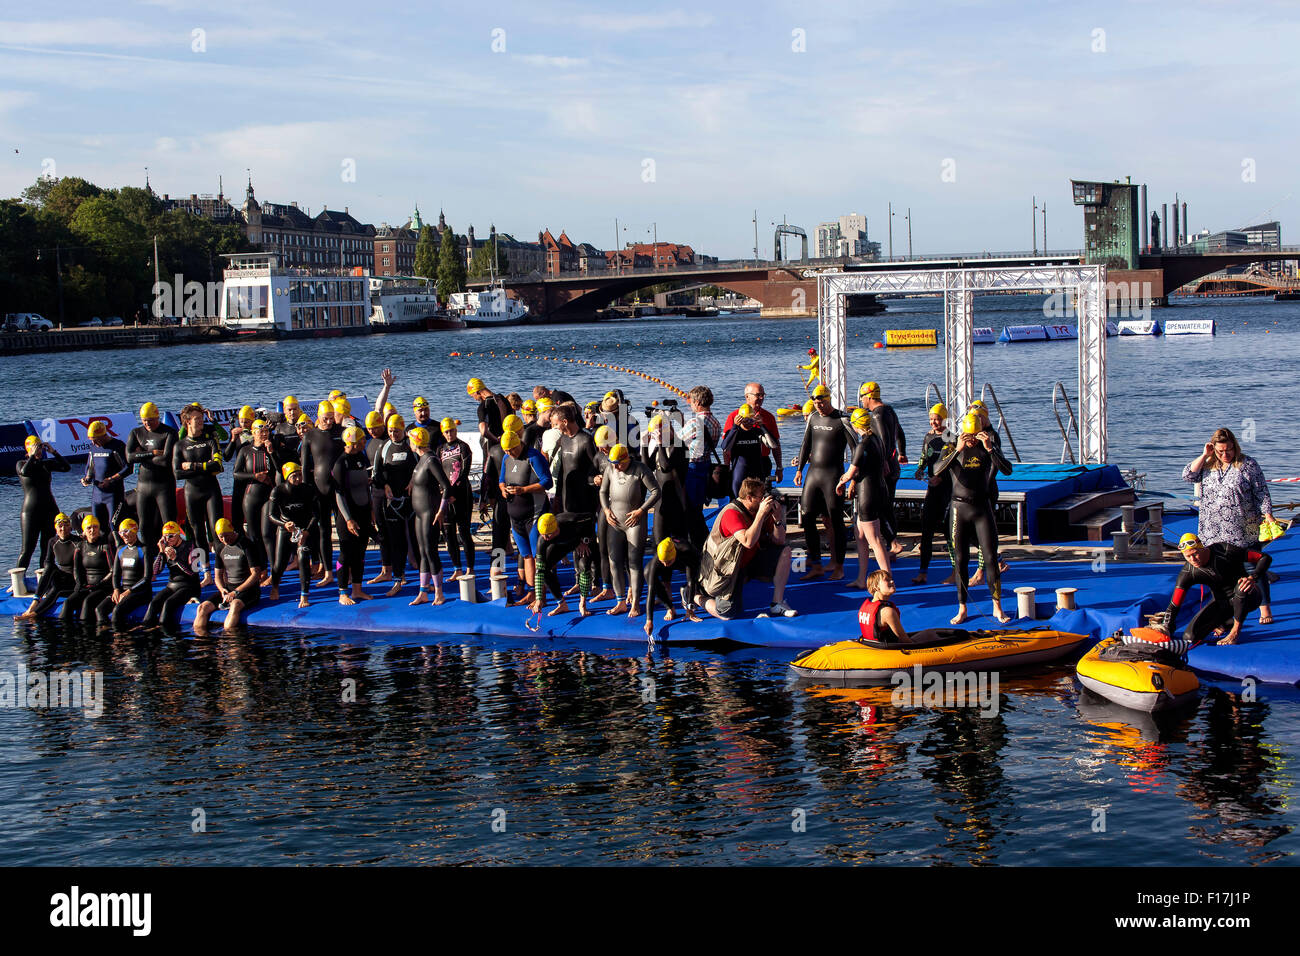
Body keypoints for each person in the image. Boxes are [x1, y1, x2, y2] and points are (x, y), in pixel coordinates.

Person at [1183, 427, 1277, 625]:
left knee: (1252, 566)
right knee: (1218, 571)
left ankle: (1264, 607)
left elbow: (1262, 492)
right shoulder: (1207, 465)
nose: (1225, 454)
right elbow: (1188, 476)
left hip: (1244, 525)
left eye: (1229, 450)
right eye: (1220, 451)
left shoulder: (1247, 464)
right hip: (1213, 528)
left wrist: (1268, 515)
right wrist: (1204, 455)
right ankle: (1225, 611)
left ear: (1235, 446)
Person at [934, 412, 1012, 624]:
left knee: (990, 558)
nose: (971, 440)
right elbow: (937, 470)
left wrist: (989, 449)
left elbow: (1007, 470)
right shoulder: (952, 447)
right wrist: (957, 449)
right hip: (959, 509)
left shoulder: (987, 448)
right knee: (961, 560)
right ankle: (962, 608)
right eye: (967, 436)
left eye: (974, 436)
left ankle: (997, 607)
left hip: (982, 508)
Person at [702, 476, 796, 620]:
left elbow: (779, 541)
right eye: (761, 497)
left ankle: (777, 603)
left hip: (748, 560)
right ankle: (695, 596)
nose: (764, 500)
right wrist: (760, 514)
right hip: (725, 568)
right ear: (749, 497)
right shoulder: (731, 513)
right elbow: (748, 541)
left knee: (785, 551)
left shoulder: (759, 510)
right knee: (727, 613)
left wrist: (777, 520)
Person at [1158, 533, 1272, 646]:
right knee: (1189, 637)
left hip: (1249, 596)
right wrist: (1165, 628)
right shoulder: (1188, 572)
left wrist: (1252, 578)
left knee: (1241, 587)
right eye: (1188, 556)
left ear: (1202, 547)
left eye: (1195, 554)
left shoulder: (1223, 550)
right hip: (1223, 603)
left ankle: (1235, 632)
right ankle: (1226, 622)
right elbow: (1174, 604)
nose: (1193, 559)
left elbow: (1265, 558)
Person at [794, 384, 857, 581]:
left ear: (829, 399)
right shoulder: (813, 417)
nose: (819, 406)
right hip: (813, 474)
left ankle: (838, 566)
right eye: (815, 402)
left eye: (821, 402)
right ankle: (816, 565)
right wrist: (799, 470)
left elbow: (856, 450)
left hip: (832, 476)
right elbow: (806, 444)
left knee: (836, 521)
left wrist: (851, 477)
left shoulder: (842, 419)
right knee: (807, 516)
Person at [601, 443, 661, 617]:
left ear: (626, 459)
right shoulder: (610, 470)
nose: (615, 466)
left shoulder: (639, 469)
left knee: (634, 563)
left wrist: (641, 510)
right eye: (612, 463)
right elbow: (603, 492)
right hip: (615, 522)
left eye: (618, 463)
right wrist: (606, 510)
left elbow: (656, 491)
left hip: (634, 522)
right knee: (614, 561)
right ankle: (620, 602)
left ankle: (635, 603)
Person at [837, 407, 891, 587]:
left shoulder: (862, 446)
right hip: (877, 490)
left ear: (854, 425)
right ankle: (862, 579)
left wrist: (841, 483)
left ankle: (887, 580)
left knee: (874, 540)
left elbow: (850, 472)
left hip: (867, 495)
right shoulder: (876, 440)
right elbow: (885, 469)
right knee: (860, 535)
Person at [499, 429, 553, 606]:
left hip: (534, 514)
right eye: (506, 451)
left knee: (538, 556)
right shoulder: (507, 458)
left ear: (519, 444)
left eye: (511, 450)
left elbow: (547, 482)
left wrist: (524, 490)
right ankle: (531, 592)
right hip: (515, 516)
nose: (509, 454)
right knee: (526, 555)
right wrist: (503, 490)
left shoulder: (533, 456)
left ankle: (541, 596)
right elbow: (501, 479)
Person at [173, 403, 224, 586]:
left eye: (201, 418)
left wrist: (193, 466)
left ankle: (220, 572)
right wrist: (205, 467)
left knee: (216, 531)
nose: (201, 421)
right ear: (187, 422)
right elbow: (178, 473)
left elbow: (218, 466)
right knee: (197, 535)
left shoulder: (209, 440)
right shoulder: (180, 445)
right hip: (192, 492)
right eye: (197, 419)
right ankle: (205, 573)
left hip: (211, 490)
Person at [372, 414, 418, 598]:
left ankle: (427, 582)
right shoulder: (384, 447)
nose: (393, 434)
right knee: (397, 543)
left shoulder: (411, 444)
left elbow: (422, 463)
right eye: (390, 431)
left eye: (396, 431)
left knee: (417, 541)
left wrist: (414, 480)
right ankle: (398, 580)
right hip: (394, 502)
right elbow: (377, 472)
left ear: (403, 429)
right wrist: (385, 485)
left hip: (412, 501)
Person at [126, 401, 178, 563]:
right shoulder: (136, 433)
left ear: (157, 417)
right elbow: (129, 457)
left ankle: (172, 559)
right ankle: (151, 562)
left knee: (168, 525)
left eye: (150, 420)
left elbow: (165, 461)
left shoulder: (168, 433)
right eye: (144, 421)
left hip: (164, 486)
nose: (147, 424)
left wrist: (141, 454)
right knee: (145, 526)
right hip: (143, 486)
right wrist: (153, 453)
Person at [860, 382, 907, 553]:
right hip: (894, 464)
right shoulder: (889, 410)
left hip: (885, 466)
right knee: (888, 506)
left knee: (880, 506)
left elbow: (884, 437)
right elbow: (900, 433)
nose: (861, 401)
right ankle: (890, 548)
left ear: (870, 396)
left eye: (862, 397)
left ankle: (893, 542)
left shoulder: (877, 415)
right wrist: (902, 453)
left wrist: (884, 460)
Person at [407, 426, 452, 606]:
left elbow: (447, 486)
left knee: (431, 552)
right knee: (423, 553)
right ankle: (423, 592)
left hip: (430, 513)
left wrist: (441, 510)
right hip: (419, 513)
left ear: (415, 442)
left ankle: (439, 593)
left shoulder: (431, 460)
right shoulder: (420, 459)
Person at [332, 425, 376, 606]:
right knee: (346, 553)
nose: (365, 443)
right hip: (347, 515)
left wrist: (371, 508)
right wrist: (348, 519)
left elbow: (366, 487)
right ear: (352, 442)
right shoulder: (340, 463)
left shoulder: (360, 457)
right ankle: (343, 592)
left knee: (360, 552)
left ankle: (357, 589)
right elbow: (338, 493)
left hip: (363, 510)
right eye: (362, 441)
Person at [194, 517, 263, 633]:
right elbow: (217, 576)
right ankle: (201, 644)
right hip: (229, 589)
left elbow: (256, 574)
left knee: (235, 605)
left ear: (232, 530)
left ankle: (229, 642)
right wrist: (222, 590)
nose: (224, 539)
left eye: (226, 535)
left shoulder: (246, 545)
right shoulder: (221, 548)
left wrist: (236, 592)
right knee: (202, 607)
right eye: (221, 536)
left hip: (249, 590)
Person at [232, 419, 282, 576]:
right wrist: (255, 476)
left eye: (266, 431)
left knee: (267, 534)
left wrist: (272, 452)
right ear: (253, 433)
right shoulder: (245, 451)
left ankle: (275, 571)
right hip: (251, 496)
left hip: (269, 496)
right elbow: (236, 474)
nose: (264, 434)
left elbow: (280, 469)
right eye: (260, 432)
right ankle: (261, 569)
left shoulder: (271, 449)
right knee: (254, 536)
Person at [912, 403, 955, 585]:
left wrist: (942, 479)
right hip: (932, 490)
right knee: (926, 531)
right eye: (931, 419)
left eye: (937, 419)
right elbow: (925, 456)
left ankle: (956, 571)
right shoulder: (928, 437)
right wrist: (920, 469)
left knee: (949, 533)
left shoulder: (951, 437)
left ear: (944, 419)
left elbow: (954, 464)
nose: (934, 422)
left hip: (947, 490)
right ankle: (923, 572)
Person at [300, 401, 343, 586]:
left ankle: (345, 569)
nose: (329, 422)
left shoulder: (340, 433)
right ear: (318, 417)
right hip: (319, 490)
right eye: (325, 419)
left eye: (331, 419)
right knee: (324, 532)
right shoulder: (310, 436)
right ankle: (328, 573)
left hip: (339, 489)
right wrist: (306, 492)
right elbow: (304, 468)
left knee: (343, 532)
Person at [15, 434, 70, 573]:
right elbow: (24, 472)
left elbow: (66, 467)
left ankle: (44, 579)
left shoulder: (46, 464)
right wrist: (32, 456)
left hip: (49, 510)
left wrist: (54, 452)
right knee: (27, 549)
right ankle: (17, 581)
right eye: (35, 448)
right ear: (28, 450)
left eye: (40, 448)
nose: (39, 451)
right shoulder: (21, 464)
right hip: (30, 512)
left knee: (46, 548)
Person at [268, 462, 320, 608]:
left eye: (299, 475)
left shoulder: (307, 489)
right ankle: (275, 587)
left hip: (303, 528)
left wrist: (306, 531)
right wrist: (284, 524)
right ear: (286, 477)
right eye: (294, 476)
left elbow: (316, 514)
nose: (297, 479)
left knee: (303, 557)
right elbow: (271, 515)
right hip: (285, 528)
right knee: (280, 563)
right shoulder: (278, 491)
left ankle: (304, 595)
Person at [531, 511, 596, 618]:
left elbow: (592, 519)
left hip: (580, 540)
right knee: (544, 570)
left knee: (584, 567)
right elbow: (539, 571)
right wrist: (538, 599)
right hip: (561, 545)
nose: (545, 537)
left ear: (556, 528)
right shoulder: (543, 540)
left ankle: (583, 604)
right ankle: (562, 604)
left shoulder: (571, 519)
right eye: (542, 534)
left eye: (548, 534)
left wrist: (584, 541)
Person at [142, 520, 204, 629]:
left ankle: (163, 629)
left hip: (189, 586)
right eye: (165, 537)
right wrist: (161, 552)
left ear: (178, 535)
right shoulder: (166, 549)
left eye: (171, 536)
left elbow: (192, 573)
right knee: (154, 603)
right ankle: (147, 630)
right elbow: (156, 571)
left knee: (168, 604)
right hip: (172, 585)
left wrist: (176, 559)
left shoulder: (191, 547)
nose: (168, 540)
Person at [437, 417, 477, 583]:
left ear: (456, 430)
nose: (449, 434)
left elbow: (464, 472)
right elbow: (438, 472)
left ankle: (470, 567)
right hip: (446, 496)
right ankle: (457, 568)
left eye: (451, 430)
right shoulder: (439, 449)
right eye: (446, 431)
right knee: (449, 534)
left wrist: (453, 492)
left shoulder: (463, 447)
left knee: (464, 532)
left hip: (461, 495)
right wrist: (444, 492)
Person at [679, 385, 720, 546]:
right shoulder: (715, 422)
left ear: (697, 402)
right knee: (697, 509)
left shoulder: (695, 422)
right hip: (706, 466)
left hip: (692, 469)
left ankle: (699, 545)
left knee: (690, 511)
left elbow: (677, 441)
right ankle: (701, 543)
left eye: (691, 402)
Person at [18, 513, 78, 619]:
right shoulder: (53, 542)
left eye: (66, 525)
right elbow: (48, 562)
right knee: (50, 566)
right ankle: (35, 602)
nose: (63, 529)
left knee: (56, 589)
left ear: (70, 527)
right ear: (55, 528)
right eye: (60, 526)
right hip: (61, 577)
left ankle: (34, 613)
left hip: (74, 581)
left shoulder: (77, 542)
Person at [643, 535, 703, 638]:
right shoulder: (660, 557)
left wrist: (690, 610)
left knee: (697, 583)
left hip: (687, 562)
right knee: (647, 573)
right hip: (672, 558)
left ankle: (686, 593)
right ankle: (670, 608)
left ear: (673, 555)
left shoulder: (686, 551)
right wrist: (649, 620)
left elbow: (690, 581)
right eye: (663, 562)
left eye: (668, 562)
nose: (665, 565)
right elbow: (651, 590)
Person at [99, 517, 152, 630]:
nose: (124, 535)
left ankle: (122, 639)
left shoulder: (144, 550)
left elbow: (147, 578)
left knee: (117, 611)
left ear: (134, 531)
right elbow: (116, 574)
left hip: (141, 592)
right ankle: (104, 640)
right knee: (100, 609)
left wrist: (129, 591)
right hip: (124, 590)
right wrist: (116, 589)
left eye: (126, 531)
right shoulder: (121, 550)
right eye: (121, 533)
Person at [722, 383, 782, 483]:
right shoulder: (734, 416)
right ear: (747, 396)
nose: (761, 398)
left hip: (762, 462)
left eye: (763, 395)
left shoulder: (768, 417)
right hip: (740, 462)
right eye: (758, 395)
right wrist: (727, 467)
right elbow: (726, 448)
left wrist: (779, 467)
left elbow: (776, 445)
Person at [61, 514, 116, 623]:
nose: (92, 530)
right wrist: (79, 583)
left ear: (99, 529)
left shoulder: (105, 546)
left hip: (103, 587)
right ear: (84, 531)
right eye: (89, 528)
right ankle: (64, 635)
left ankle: (87, 635)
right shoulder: (80, 547)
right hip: (87, 586)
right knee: (68, 603)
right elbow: (76, 569)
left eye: (95, 527)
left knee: (87, 602)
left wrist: (100, 583)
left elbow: (113, 569)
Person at [645, 414, 689, 548]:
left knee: (680, 544)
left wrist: (659, 444)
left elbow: (665, 467)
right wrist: (644, 445)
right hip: (660, 502)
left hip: (676, 502)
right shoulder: (661, 448)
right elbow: (647, 467)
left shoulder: (680, 446)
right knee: (658, 543)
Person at [81, 420, 132, 536]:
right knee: (97, 528)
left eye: (95, 440)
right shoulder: (93, 448)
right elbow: (90, 468)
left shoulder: (117, 446)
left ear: (104, 435)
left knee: (114, 526)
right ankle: (104, 553)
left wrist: (111, 480)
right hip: (97, 495)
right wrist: (87, 478)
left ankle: (117, 552)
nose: (94, 443)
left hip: (113, 495)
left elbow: (129, 468)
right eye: (91, 440)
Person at [721, 402, 777, 498]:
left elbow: (773, 445)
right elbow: (725, 448)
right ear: (740, 420)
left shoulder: (757, 432)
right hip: (739, 476)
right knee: (738, 502)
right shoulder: (734, 433)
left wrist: (762, 426)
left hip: (757, 475)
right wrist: (735, 427)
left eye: (751, 420)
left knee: (758, 503)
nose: (749, 423)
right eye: (746, 420)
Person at [363, 409, 393, 585]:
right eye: (369, 429)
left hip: (389, 492)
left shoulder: (388, 442)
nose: (372, 431)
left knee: (393, 532)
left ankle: (397, 570)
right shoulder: (369, 443)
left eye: (375, 428)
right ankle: (386, 569)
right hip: (374, 492)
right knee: (381, 532)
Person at [856, 570, 924, 644]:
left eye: (891, 579)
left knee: (932, 632)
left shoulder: (864, 608)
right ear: (876, 586)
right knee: (931, 635)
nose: (892, 581)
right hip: (889, 649)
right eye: (887, 580)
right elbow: (904, 640)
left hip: (871, 645)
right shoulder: (887, 611)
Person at [224, 404, 257, 534]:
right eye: (241, 421)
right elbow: (226, 456)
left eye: (247, 422)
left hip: (254, 475)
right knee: (237, 508)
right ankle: (238, 532)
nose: (243, 425)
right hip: (240, 475)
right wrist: (232, 439)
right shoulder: (237, 435)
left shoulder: (257, 434)